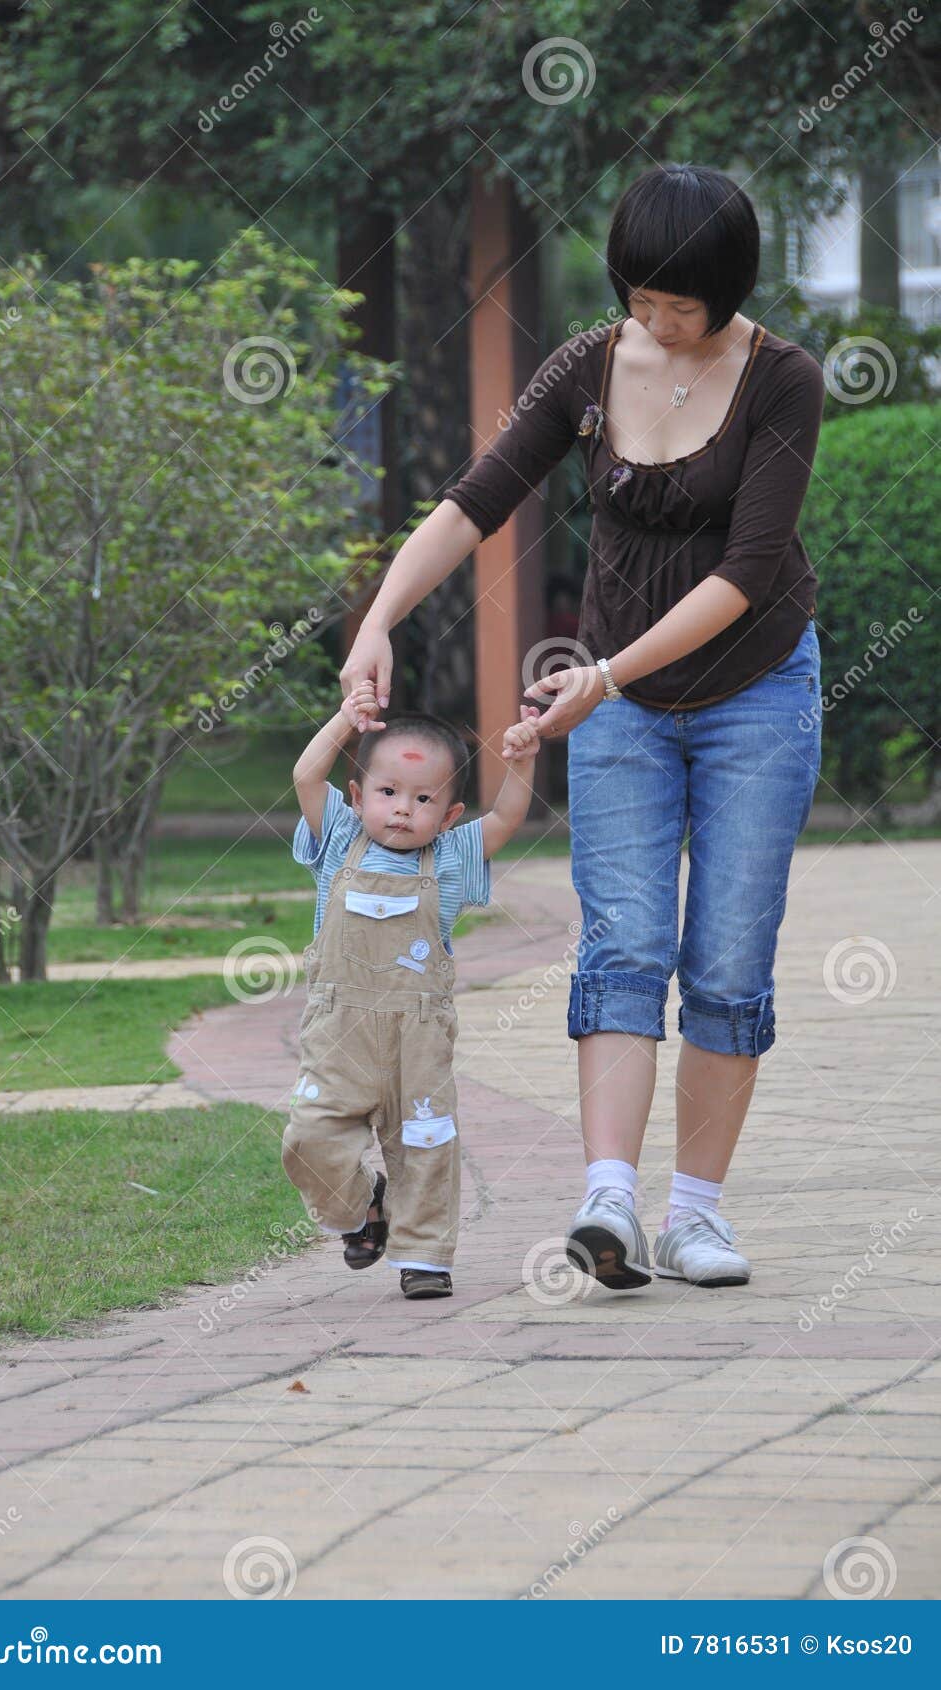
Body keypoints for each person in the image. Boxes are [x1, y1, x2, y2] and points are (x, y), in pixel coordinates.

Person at [338, 162, 826, 1293]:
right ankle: (607, 1200)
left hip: (753, 694)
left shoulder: (783, 380)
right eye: (637, 296)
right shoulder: (592, 366)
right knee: (621, 947)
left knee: (726, 957)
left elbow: (749, 574)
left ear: (727, 285)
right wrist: (378, 620)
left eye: (676, 304)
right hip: (618, 713)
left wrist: (602, 671)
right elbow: (475, 498)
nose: (653, 321)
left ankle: (694, 1213)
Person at [283, 682, 542, 1299]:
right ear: (357, 795)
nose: (403, 808)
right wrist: (346, 720)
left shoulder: (452, 856)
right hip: (337, 1030)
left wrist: (523, 758)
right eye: (388, 792)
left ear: (449, 815)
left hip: (418, 1037)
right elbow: (304, 775)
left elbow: (507, 816)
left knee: (427, 1142)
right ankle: (360, 1208)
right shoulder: (338, 840)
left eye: (424, 798)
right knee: (308, 1136)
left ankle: (425, 1257)